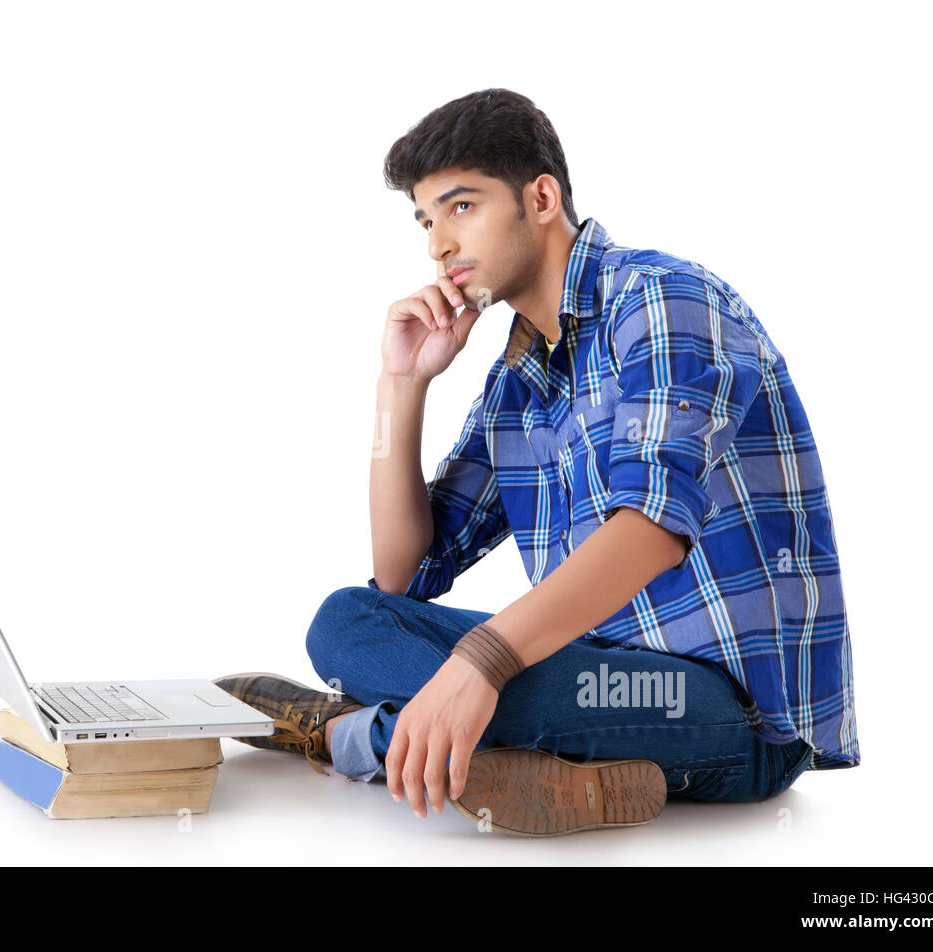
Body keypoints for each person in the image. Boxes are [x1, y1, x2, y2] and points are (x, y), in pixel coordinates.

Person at [215, 88, 859, 836]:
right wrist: (401, 385)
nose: (437, 246)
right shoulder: (519, 377)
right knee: (346, 620)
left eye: (460, 207)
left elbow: (651, 526)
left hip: (738, 710)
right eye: (426, 221)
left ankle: (346, 736)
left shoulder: (662, 300)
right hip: (595, 665)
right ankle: (520, 754)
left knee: (496, 690)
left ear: (542, 197)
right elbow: (403, 575)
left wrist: (482, 664)